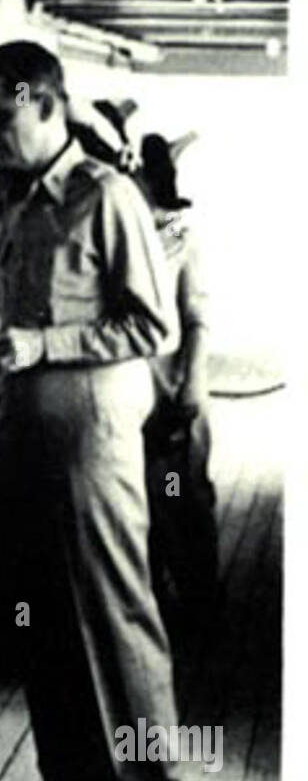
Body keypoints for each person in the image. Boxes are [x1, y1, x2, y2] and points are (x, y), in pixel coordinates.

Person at [0, 40, 183, 781]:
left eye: (2, 115)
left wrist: (40, 342)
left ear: (51, 107)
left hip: (91, 438)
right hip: (24, 435)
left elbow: (151, 325)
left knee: (115, 617)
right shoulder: (12, 201)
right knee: (44, 618)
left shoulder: (107, 196)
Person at [136, 134, 218, 642]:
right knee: (149, 507)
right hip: (135, 401)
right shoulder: (120, 240)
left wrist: (191, 382)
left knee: (180, 498)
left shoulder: (180, 239)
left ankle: (202, 604)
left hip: (176, 394)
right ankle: (161, 605)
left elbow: (197, 318)